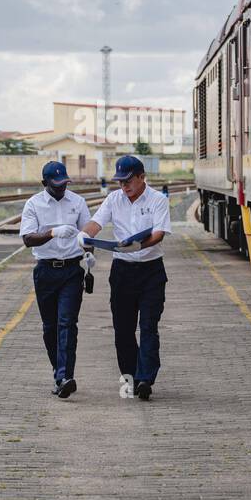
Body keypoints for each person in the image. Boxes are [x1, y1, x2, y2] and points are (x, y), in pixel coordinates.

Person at [79, 155, 171, 401]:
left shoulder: (158, 200)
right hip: (122, 272)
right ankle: (130, 376)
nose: (124, 186)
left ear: (142, 177)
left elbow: (160, 233)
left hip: (151, 271)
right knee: (123, 329)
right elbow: (96, 223)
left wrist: (138, 247)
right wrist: (84, 236)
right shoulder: (113, 199)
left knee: (149, 327)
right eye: (120, 181)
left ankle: (145, 379)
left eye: (128, 181)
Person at [19, 161, 91, 398]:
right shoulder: (34, 204)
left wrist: (89, 253)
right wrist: (52, 232)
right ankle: (58, 371)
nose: (62, 188)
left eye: (65, 184)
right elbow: (28, 238)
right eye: (56, 185)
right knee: (50, 327)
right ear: (45, 183)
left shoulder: (78, 203)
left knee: (67, 323)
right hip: (46, 271)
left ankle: (65, 376)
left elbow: (87, 234)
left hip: (71, 270)